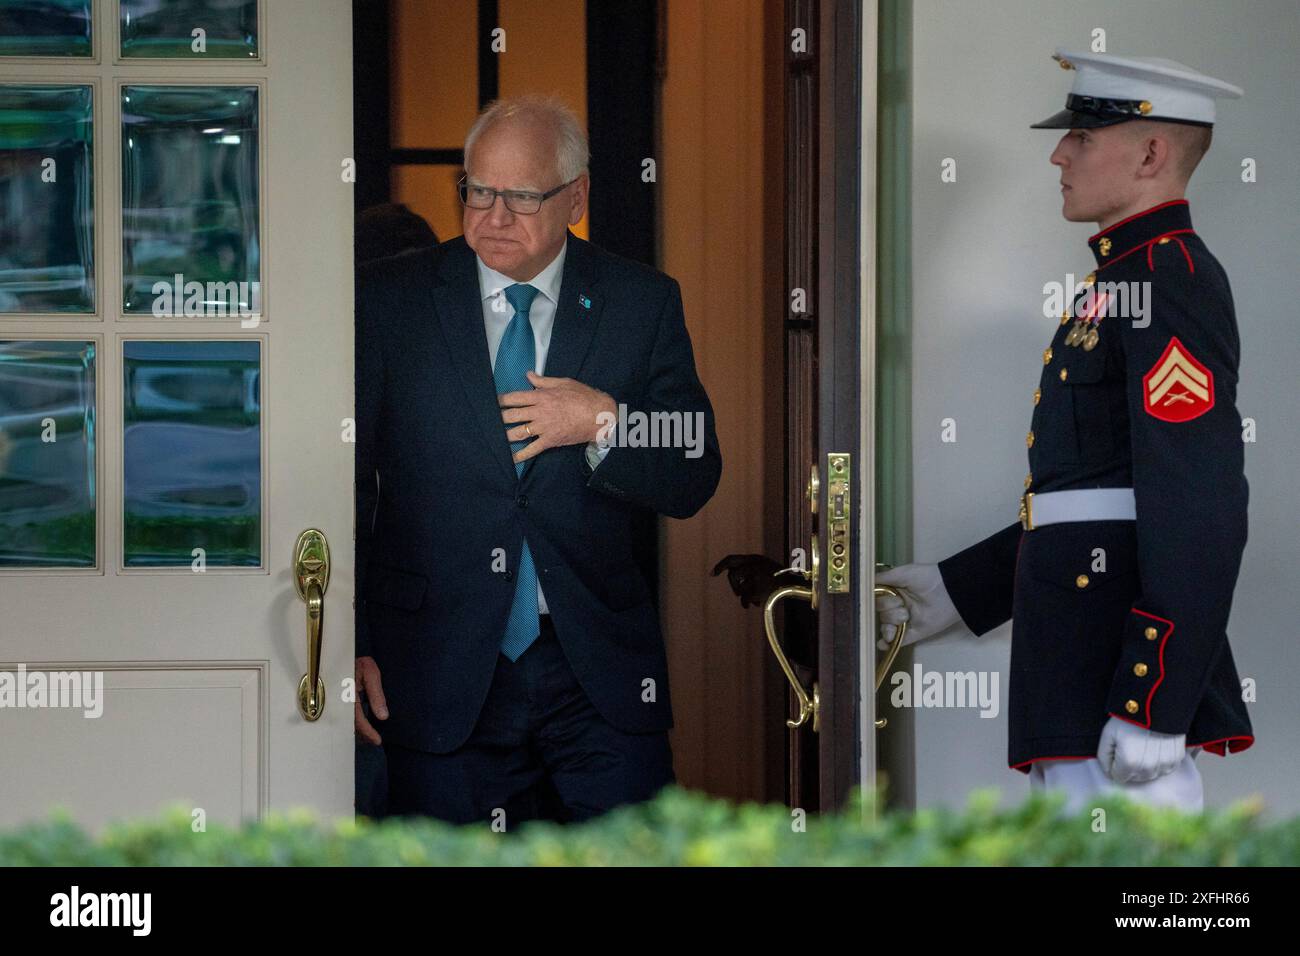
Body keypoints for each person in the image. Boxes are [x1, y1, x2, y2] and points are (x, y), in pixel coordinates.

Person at [875, 49, 1254, 814]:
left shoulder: (1167, 280)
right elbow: (1090, 502)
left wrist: (1154, 699)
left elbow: (1198, 503)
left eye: (1082, 135)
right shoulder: (1120, 281)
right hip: (1080, 660)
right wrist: (957, 591)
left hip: (1115, 672)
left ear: (1151, 153)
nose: (1059, 154)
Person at [353, 94, 721, 825]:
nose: (494, 217)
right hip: (433, 665)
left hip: (595, 670)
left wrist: (604, 421)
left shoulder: (639, 301)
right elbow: (345, 478)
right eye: (477, 191)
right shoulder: (390, 300)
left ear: (575, 198)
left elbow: (693, 464)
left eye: (521, 196)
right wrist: (350, 641)